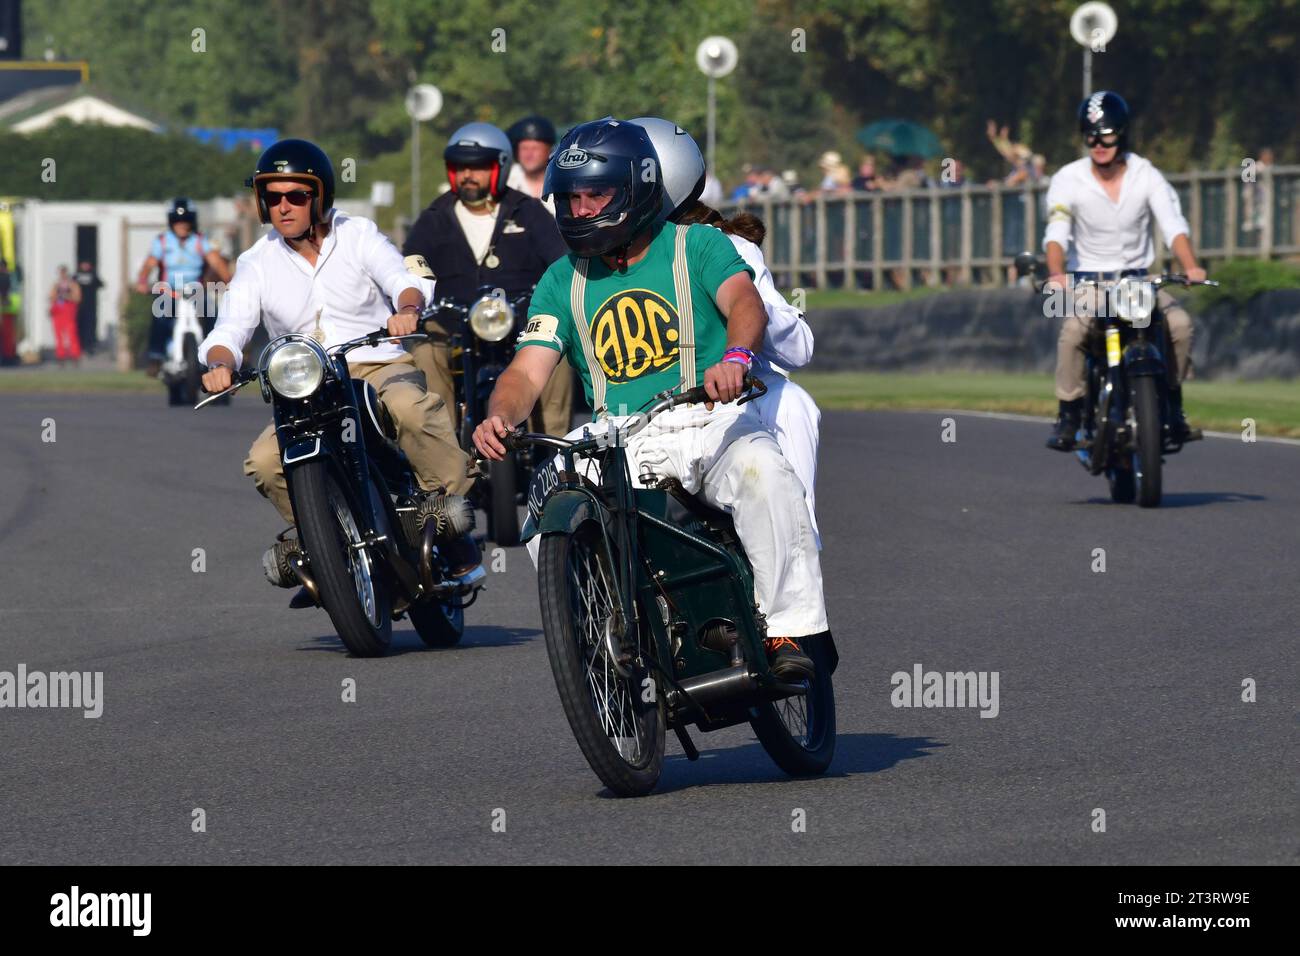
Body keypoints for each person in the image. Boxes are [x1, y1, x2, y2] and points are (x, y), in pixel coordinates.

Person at [472, 117, 830, 681]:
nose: (582, 209)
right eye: (570, 198)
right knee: (547, 507)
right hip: (617, 435)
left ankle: (790, 628)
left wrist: (736, 358)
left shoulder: (699, 244)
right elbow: (526, 369)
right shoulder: (559, 279)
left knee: (764, 470)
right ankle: (608, 636)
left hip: (708, 416)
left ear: (638, 190)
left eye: (597, 195)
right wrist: (500, 415)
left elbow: (745, 305)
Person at [197, 138, 482, 601]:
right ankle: (322, 543)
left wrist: (407, 308)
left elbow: (402, 280)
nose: (283, 206)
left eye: (295, 196)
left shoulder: (358, 235)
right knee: (266, 462)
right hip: (304, 383)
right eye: (272, 197)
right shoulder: (256, 263)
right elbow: (229, 329)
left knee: (410, 408)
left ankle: (445, 515)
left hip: (375, 363)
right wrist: (220, 364)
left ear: (320, 197)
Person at [629, 115, 821, 550]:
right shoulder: (599, 255)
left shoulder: (726, 245)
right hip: (638, 406)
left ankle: (797, 543)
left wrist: (755, 308)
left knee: (791, 403)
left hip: (723, 395)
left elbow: (799, 349)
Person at [1042, 91, 1207, 450]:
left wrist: (1190, 266)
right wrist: (1056, 273)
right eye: (1090, 135)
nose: (1098, 144)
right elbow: (1056, 233)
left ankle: (1173, 407)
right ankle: (1068, 414)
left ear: (1123, 133)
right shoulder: (1067, 179)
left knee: (1179, 326)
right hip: (1091, 283)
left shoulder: (1146, 174)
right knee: (1073, 331)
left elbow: (1173, 225)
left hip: (1138, 282)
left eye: (1107, 134)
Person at [403, 122, 573, 438]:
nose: (468, 174)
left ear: (502, 166)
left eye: (479, 167)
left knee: (558, 353)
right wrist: (412, 305)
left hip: (523, 320)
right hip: (452, 322)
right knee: (425, 351)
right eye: (460, 167)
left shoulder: (528, 211)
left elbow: (562, 262)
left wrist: (558, 300)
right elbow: (413, 264)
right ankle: (446, 455)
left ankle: (556, 450)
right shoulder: (435, 217)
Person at [136, 198, 232, 375]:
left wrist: (230, 282)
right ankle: (155, 356)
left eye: (186, 220)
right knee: (161, 315)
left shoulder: (199, 240)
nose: (182, 225)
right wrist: (142, 281)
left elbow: (216, 262)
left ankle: (215, 356)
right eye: (178, 221)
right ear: (171, 222)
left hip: (195, 291)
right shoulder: (163, 241)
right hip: (169, 291)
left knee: (212, 315)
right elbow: (149, 264)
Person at [505, 114, 558, 215]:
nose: (529, 155)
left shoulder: (564, 183)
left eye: (535, 148)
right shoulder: (506, 181)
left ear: (549, 150)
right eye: (524, 148)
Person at [49, 265, 81, 365]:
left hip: (69, 310)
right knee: (58, 335)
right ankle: (60, 355)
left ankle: (74, 355)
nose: (62, 274)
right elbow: (51, 297)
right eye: (61, 272)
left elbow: (77, 298)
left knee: (71, 333)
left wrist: (67, 296)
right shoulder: (56, 285)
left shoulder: (72, 285)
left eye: (64, 272)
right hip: (58, 311)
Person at [73, 260, 103, 356]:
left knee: (90, 326)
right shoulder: (76, 276)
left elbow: (100, 284)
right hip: (79, 306)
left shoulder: (92, 275)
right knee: (80, 325)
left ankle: (89, 345)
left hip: (90, 305)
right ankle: (81, 345)